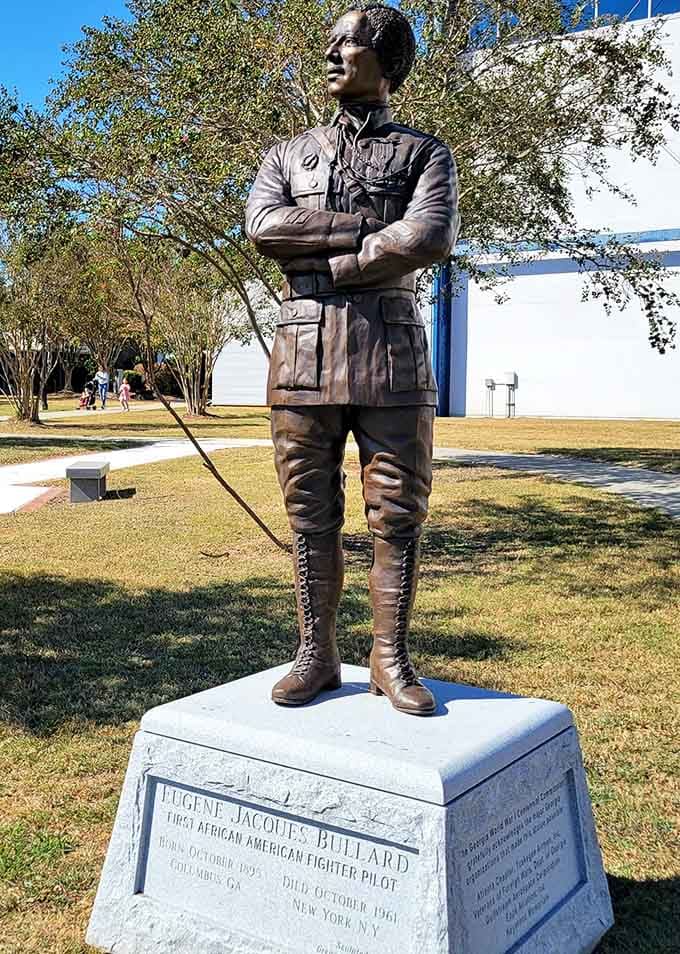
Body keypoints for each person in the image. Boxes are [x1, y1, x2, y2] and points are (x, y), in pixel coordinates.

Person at [246, 4, 460, 714]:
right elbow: (266, 227)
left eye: (349, 43)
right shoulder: (286, 155)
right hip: (303, 352)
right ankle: (316, 652)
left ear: (385, 60)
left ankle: (389, 657)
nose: (332, 54)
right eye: (331, 42)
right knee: (309, 510)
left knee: (398, 512)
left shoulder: (425, 154)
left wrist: (331, 266)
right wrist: (367, 230)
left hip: (391, 354)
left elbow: (428, 236)